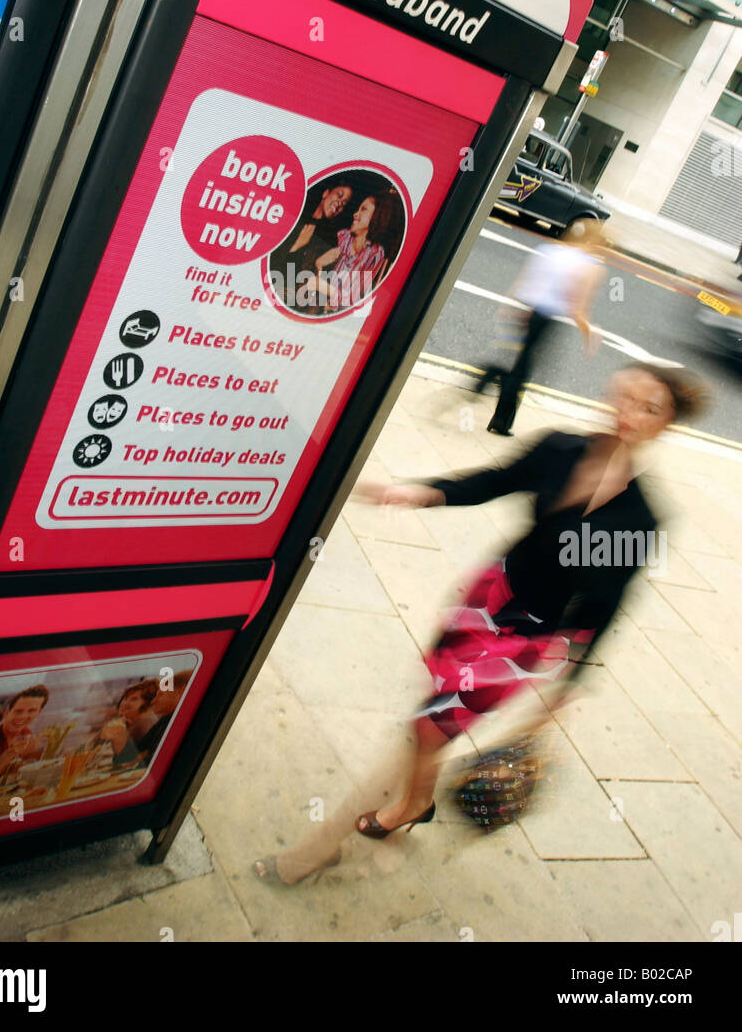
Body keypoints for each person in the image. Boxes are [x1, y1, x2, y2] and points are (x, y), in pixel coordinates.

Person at [253, 362, 706, 882]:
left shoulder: (640, 519)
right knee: (435, 712)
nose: (630, 413)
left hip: (528, 638)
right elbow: (494, 481)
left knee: (431, 722)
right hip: (490, 594)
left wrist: (568, 686)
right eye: (627, 397)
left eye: (649, 409)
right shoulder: (561, 449)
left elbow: (605, 605)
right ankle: (419, 800)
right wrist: (422, 492)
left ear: (666, 425)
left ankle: (350, 836)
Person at [476, 218, 605, 436]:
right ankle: (498, 409)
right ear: (592, 240)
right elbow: (577, 307)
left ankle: (497, 401)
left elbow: (524, 280)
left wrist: (509, 306)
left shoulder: (551, 250)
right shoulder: (587, 265)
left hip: (528, 309)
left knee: (521, 366)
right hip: (545, 319)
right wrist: (590, 334)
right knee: (521, 372)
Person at [306, 189, 405, 312]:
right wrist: (319, 264)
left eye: (363, 209)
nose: (355, 214)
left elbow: (355, 301)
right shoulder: (345, 239)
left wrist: (325, 289)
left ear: (377, 216)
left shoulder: (375, 253)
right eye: (358, 209)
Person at [0, 685, 49, 791]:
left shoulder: (25, 734)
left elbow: (25, 767)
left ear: (38, 713)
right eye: (18, 711)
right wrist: (7, 764)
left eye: (31, 711)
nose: (23, 716)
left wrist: (38, 750)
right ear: (7, 713)